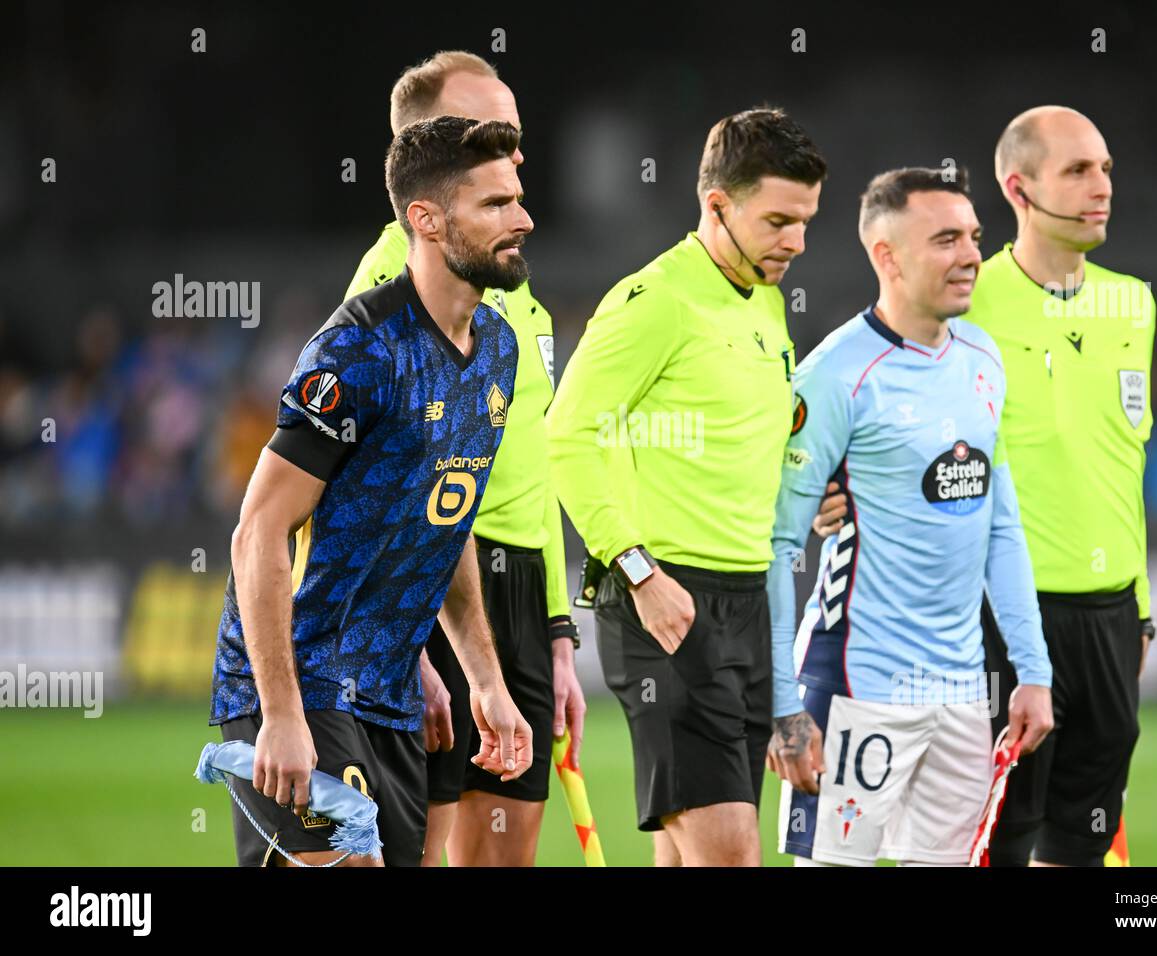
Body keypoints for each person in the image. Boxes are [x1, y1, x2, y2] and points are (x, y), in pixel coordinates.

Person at [814, 106, 1156, 867]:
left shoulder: (1136, 303)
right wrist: (834, 494)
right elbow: (864, 404)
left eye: (1105, 168)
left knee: (1082, 842)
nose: (1102, 186)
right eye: (1077, 170)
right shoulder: (967, 297)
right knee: (992, 844)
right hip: (999, 620)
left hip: (1110, 617)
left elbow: (1121, 463)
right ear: (1018, 188)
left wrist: (1141, 609)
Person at [209, 116, 533, 867]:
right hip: (301, 681)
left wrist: (484, 681)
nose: (522, 218)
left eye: (518, 198)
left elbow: (442, 523)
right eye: (494, 204)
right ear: (426, 218)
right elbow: (257, 531)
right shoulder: (358, 350)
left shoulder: (498, 351)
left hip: (387, 694)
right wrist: (282, 714)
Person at [547, 107, 826, 867]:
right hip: (665, 604)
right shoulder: (655, 300)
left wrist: (816, 494)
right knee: (731, 853)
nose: (796, 242)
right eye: (777, 220)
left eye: (805, 221)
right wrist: (638, 572)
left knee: (692, 856)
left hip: (746, 601)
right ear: (716, 205)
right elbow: (568, 430)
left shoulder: (766, 303)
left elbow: (754, 439)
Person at [768, 167, 1054, 866]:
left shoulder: (984, 360)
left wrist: (1033, 669)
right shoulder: (835, 376)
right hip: (857, 685)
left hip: (961, 694)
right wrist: (782, 703)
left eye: (975, 238)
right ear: (887, 256)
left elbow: (1001, 525)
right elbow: (777, 547)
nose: (969, 256)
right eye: (946, 239)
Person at [346, 51, 583, 867]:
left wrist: (555, 633)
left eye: (514, 136)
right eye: (494, 134)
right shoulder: (390, 285)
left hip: (515, 596)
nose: (517, 152)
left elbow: (536, 458)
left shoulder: (510, 284)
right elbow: (363, 481)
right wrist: (405, 644)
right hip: (436, 581)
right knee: (413, 850)